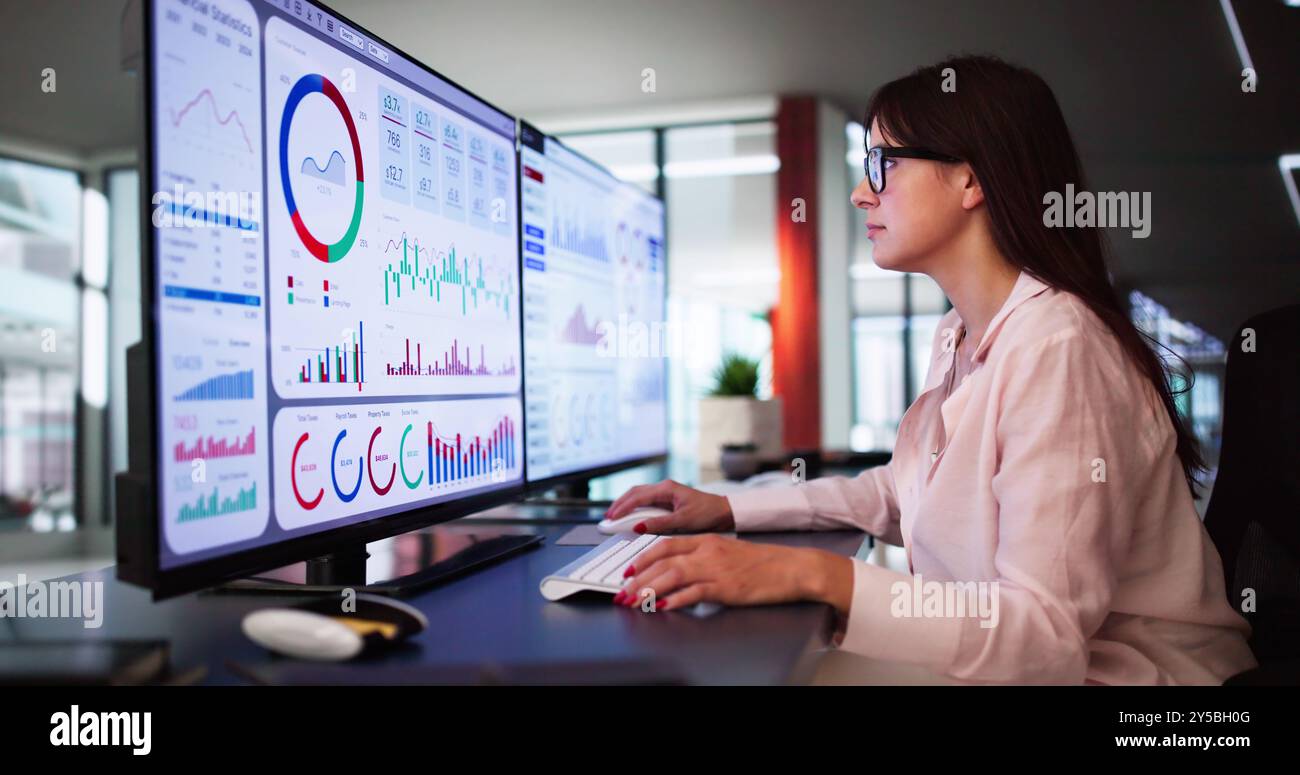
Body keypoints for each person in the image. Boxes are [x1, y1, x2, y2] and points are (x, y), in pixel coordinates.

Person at [603, 55, 1257, 685]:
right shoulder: (962, 333)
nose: (862, 193)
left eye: (883, 163)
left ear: (971, 180)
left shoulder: (1059, 347)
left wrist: (814, 576)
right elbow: (901, 492)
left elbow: (1043, 636)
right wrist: (730, 508)